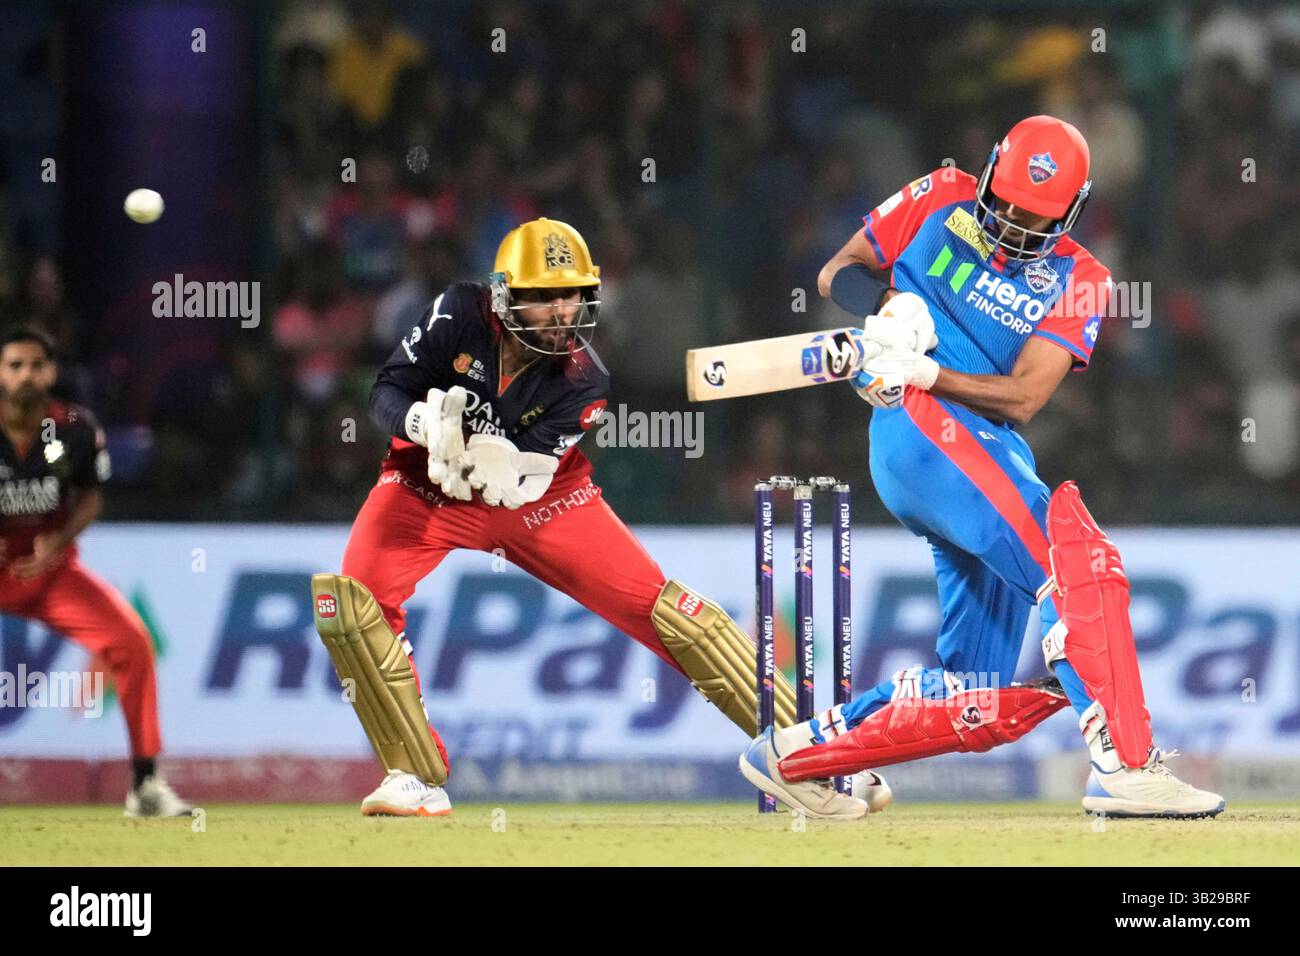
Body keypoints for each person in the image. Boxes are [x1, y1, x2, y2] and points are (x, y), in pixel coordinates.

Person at [312, 218, 888, 817]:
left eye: (573, 296)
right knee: (353, 604)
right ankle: (412, 777)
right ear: (506, 296)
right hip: (422, 489)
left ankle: (823, 753)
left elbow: (519, 482)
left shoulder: (585, 378)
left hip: (540, 500)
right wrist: (425, 427)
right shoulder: (458, 312)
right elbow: (387, 389)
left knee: (669, 614)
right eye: (546, 297)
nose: (564, 313)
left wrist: (485, 462)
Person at [741, 115, 1225, 820]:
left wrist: (928, 370)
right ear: (990, 171)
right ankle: (1125, 765)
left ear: (1073, 213)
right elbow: (834, 270)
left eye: (1036, 222)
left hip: (978, 438)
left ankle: (796, 758)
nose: (1012, 231)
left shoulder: (1083, 277)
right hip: (918, 434)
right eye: (1003, 209)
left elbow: (1027, 395)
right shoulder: (940, 193)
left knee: (974, 690)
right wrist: (889, 305)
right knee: (1077, 562)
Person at [0, 327, 192, 817]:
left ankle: (146, 785)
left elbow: (90, 496)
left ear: (52, 371)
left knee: (132, 643)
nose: (26, 375)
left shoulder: (74, 428)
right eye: (15, 365)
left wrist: (59, 541)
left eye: (36, 365)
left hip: (52, 573)